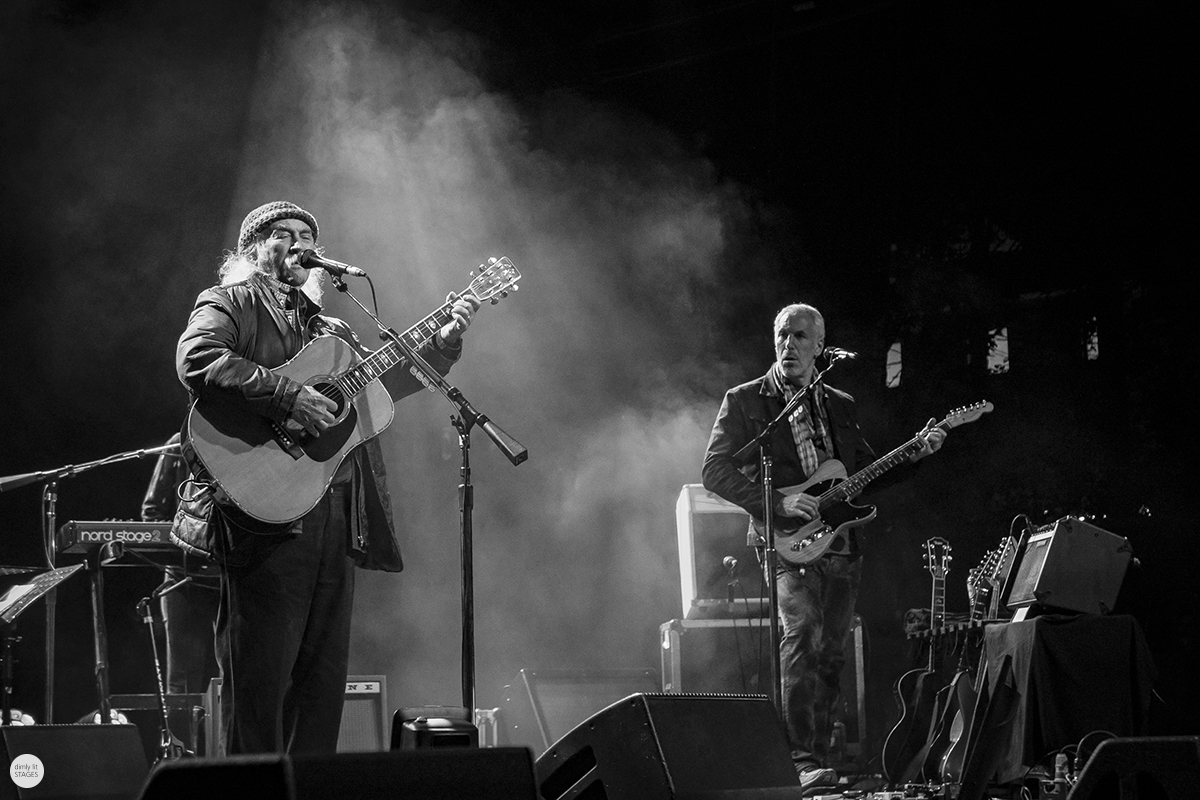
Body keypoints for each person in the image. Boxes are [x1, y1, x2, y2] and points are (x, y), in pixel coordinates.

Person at [173, 200, 481, 755]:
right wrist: (288, 393)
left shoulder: (330, 327)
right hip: (262, 513)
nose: (299, 244)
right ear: (252, 250)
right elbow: (199, 359)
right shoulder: (229, 303)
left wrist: (443, 344)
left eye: (307, 236)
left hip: (334, 511)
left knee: (321, 681)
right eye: (284, 234)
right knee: (261, 677)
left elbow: (386, 389)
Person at [701, 302, 945, 790]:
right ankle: (797, 757)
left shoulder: (840, 403)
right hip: (784, 543)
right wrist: (776, 503)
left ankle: (821, 756)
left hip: (839, 542)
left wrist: (917, 454)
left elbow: (866, 476)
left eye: (799, 337)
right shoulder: (747, 401)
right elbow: (714, 470)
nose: (788, 345)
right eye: (782, 337)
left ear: (819, 346)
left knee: (833, 651)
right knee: (803, 634)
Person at [141, 430, 221, 754]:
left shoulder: (247, 442)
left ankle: (228, 758)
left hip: (230, 577)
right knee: (181, 685)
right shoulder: (179, 442)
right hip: (182, 578)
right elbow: (152, 512)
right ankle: (181, 760)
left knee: (231, 677)